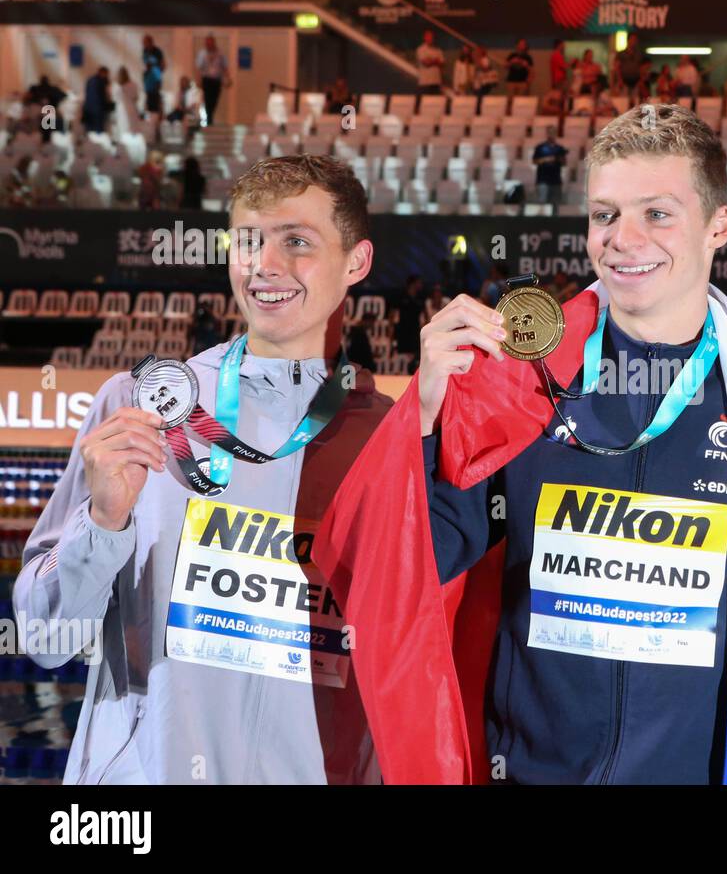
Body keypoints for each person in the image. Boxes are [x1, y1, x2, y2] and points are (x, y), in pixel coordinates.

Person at [315, 103, 727, 785]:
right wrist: (422, 419)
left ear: (719, 225)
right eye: (604, 215)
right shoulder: (524, 380)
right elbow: (412, 567)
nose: (624, 239)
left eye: (657, 213)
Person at [16, 154, 390, 783]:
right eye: (249, 241)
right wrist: (102, 524)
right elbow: (45, 641)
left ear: (356, 262)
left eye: (297, 242)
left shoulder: (384, 437)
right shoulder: (140, 405)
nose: (266, 266)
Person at [195, 34, 230, 126]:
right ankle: (209, 119)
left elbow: (225, 67)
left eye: (210, 43)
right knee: (207, 100)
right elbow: (199, 68)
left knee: (214, 100)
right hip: (206, 80)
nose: (208, 45)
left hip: (216, 80)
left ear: (213, 43)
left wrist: (228, 78)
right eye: (207, 43)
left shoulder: (220, 53)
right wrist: (198, 80)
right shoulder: (202, 53)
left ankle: (210, 116)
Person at [532, 125, 568, 207]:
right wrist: (547, 159)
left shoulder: (559, 148)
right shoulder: (540, 147)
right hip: (543, 179)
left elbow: (564, 163)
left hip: (556, 180)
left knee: (556, 204)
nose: (551, 134)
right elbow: (535, 161)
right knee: (542, 203)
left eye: (553, 132)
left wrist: (558, 158)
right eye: (550, 132)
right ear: (547, 133)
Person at [396, 274, 427, 358]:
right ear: (413, 283)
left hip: (415, 329)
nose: (421, 285)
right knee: (402, 355)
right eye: (419, 283)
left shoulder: (421, 297)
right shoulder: (401, 295)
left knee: (415, 354)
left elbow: (425, 313)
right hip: (403, 329)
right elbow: (393, 312)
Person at [81, 66, 113, 134]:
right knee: (98, 129)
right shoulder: (101, 81)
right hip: (98, 108)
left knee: (90, 129)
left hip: (88, 107)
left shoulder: (90, 80)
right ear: (103, 73)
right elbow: (104, 95)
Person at [415, 30, 445, 98]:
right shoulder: (421, 49)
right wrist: (436, 60)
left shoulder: (438, 50)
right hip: (425, 83)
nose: (430, 39)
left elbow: (442, 63)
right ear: (425, 38)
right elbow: (426, 63)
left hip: (436, 82)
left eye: (432, 37)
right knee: (424, 106)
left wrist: (430, 59)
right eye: (429, 37)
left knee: (436, 106)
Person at [142, 35, 166, 118]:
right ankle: (150, 122)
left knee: (155, 104)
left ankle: (156, 122)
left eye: (145, 42)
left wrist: (156, 69)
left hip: (155, 80)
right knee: (149, 104)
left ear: (150, 42)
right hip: (148, 81)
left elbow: (162, 66)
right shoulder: (144, 51)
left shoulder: (157, 51)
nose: (144, 44)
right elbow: (145, 65)